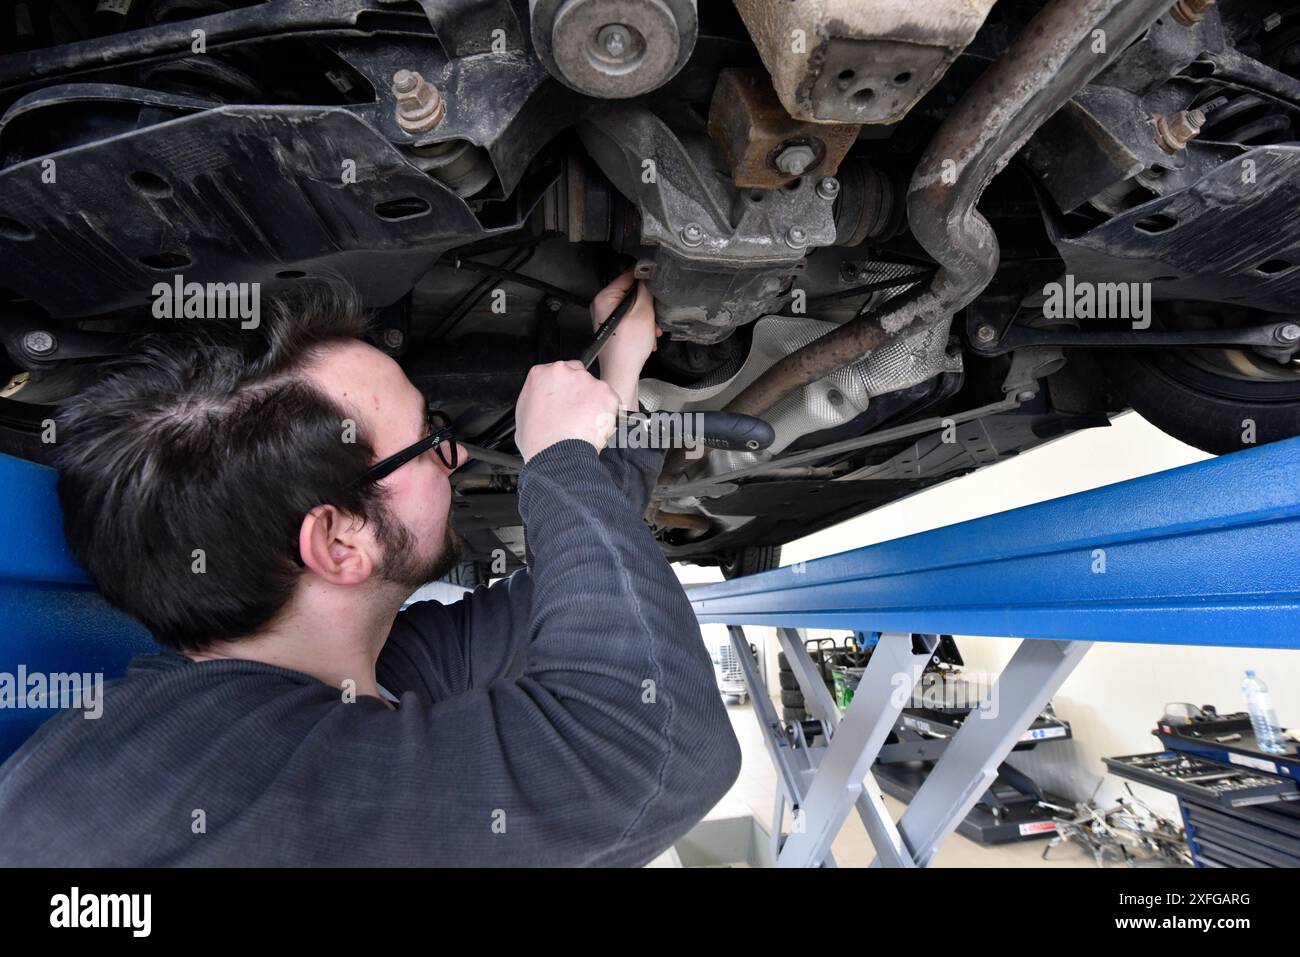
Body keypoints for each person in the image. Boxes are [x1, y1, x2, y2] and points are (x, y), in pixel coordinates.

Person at [0, 271, 742, 866]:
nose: (453, 454)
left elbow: (569, 595)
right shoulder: (266, 803)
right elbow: (664, 747)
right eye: (427, 440)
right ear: (339, 544)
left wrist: (624, 373)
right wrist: (554, 460)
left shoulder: (303, 678)